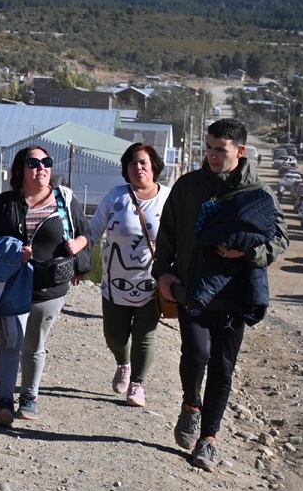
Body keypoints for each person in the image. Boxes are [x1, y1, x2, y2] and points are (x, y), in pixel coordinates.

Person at [154, 119, 287, 472]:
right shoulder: (188, 186)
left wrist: (248, 253)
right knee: (196, 353)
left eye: (220, 150)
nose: (212, 156)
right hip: (192, 290)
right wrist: (164, 272)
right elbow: (166, 234)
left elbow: (280, 239)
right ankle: (191, 406)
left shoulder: (260, 194)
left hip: (236, 295)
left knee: (223, 368)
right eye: (209, 149)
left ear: (239, 152)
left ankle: (209, 439)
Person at [0, 145, 90, 427]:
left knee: (35, 344)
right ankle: (3, 402)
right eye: (33, 163)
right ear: (19, 170)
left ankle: (29, 397)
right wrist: (14, 251)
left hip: (51, 287)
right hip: (12, 285)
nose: (41, 168)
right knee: (10, 342)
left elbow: (85, 233)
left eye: (46, 162)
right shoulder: (3, 204)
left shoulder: (66, 199)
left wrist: (78, 248)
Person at [85, 142, 170, 408]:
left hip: (152, 284)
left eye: (143, 162)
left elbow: (182, 237)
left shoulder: (169, 199)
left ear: (154, 166)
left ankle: (137, 384)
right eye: (132, 164)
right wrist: (77, 257)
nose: (138, 168)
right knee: (115, 336)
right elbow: (93, 231)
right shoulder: (115, 197)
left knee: (145, 335)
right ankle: (123, 364)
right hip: (114, 283)